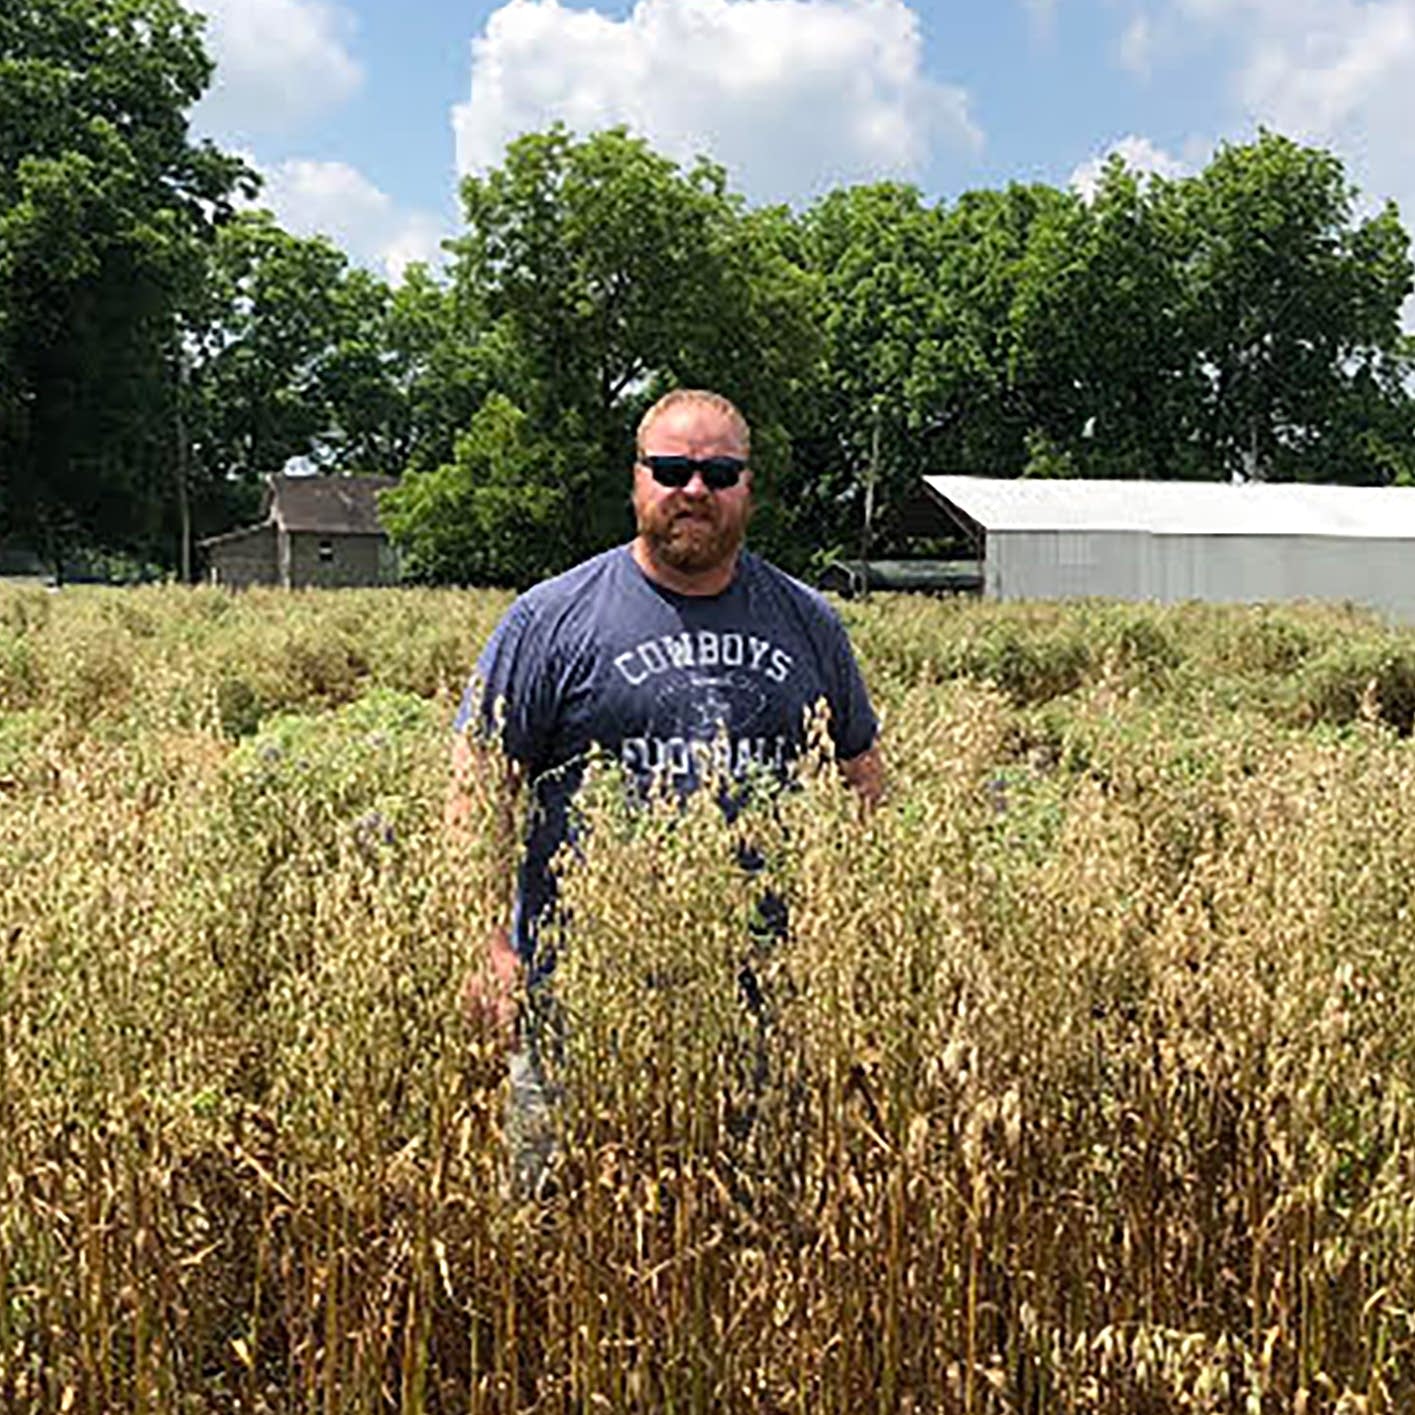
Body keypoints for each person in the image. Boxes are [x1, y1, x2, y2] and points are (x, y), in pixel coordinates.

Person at [449, 388, 883, 1193]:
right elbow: (481, 790)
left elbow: (860, 778)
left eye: (718, 472)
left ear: (747, 487)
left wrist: (845, 940)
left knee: (756, 1220)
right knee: (558, 1222)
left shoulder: (808, 620)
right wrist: (489, 947)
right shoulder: (548, 620)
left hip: (763, 1004)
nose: (694, 490)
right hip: (579, 998)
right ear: (637, 479)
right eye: (673, 468)